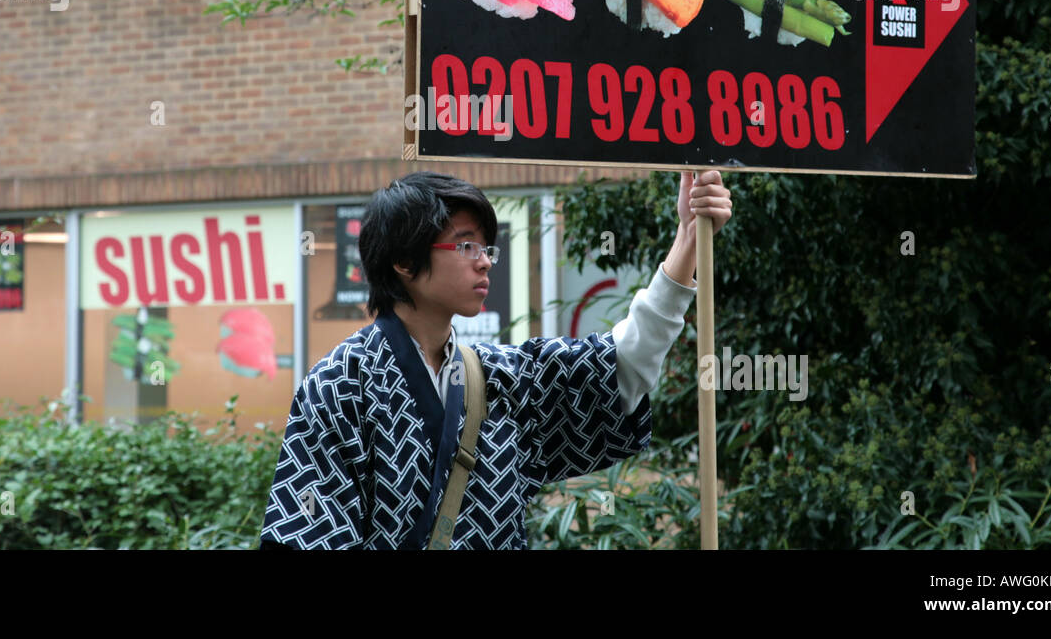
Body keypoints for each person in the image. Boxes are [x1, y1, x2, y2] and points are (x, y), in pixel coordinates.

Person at [259, 169, 732, 549]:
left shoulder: (501, 379)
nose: (484, 260)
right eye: (465, 245)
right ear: (403, 262)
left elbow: (622, 366)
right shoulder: (339, 386)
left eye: (486, 247)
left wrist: (687, 239)